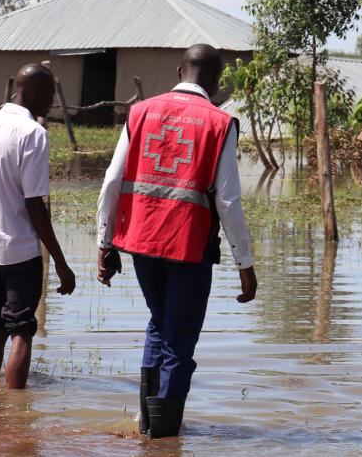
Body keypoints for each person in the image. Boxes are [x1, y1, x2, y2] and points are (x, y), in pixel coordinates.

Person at [95, 44, 258, 438]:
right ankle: (163, 437)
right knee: (179, 341)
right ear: (217, 81)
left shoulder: (140, 111)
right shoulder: (220, 123)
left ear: (179, 69)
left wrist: (105, 242)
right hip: (189, 245)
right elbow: (228, 200)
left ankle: (149, 426)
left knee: (159, 325)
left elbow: (112, 180)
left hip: (142, 242)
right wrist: (245, 264)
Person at [0, 63, 76, 388]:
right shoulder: (33, 134)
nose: (50, 102)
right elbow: (35, 204)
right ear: (36, 93)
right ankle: (14, 418)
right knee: (22, 331)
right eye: (49, 95)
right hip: (19, 250)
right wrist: (61, 262)